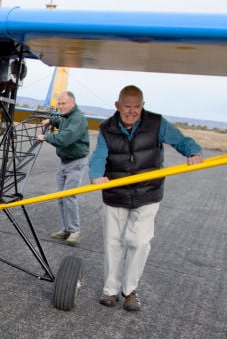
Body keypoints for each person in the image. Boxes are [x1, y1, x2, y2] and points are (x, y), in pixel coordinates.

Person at [88, 85, 203, 311]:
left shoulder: (157, 123)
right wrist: (96, 175)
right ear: (117, 106)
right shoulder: (106, 129)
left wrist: (194, 151)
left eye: (137, 107)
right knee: (113, 242)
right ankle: (110, 290)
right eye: (127, 106)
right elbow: (99, 156)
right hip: (116, 194)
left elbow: (181, 140)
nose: (132, 111)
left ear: (143, 106)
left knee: (139, 242)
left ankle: (130, 290)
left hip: (148, 193)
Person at [37, 91, 90, 246]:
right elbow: (61, 121)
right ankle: (67, 229)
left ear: (72, 103)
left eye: (63, 103)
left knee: (69, 196)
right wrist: (51, 121)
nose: (60, 106)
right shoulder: (66, 116)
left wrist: (46, 137)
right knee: (62, 197)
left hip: (76, 163)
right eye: (59, 103)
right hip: (64, 162)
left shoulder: (78, 119)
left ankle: (75, 231)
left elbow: (65, 138)